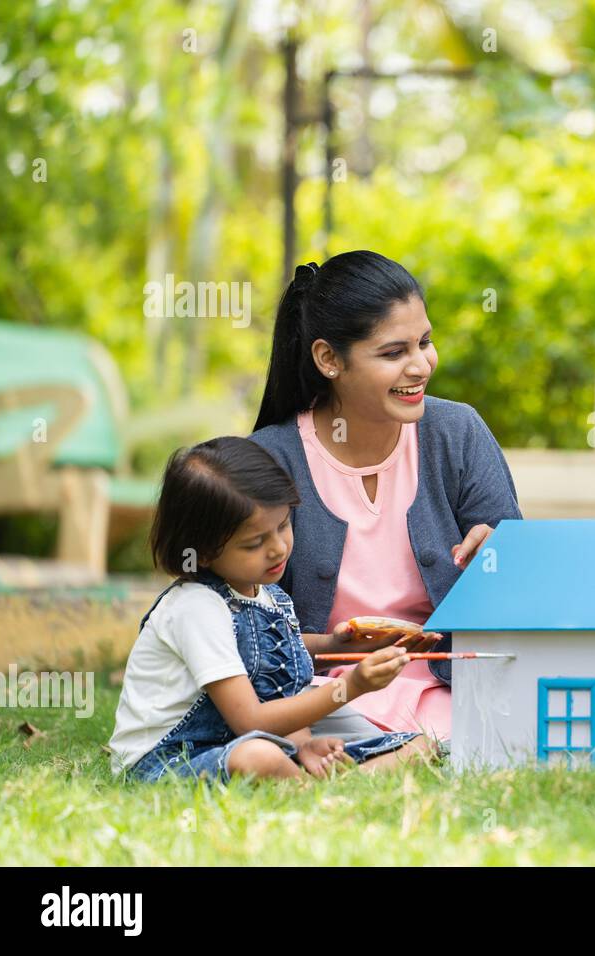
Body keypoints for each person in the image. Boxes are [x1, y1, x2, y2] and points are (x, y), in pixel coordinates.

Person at [249, 251, 522, 738]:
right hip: (323, 689)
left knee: (484, 730)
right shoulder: (271, 459)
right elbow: (245, 625)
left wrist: (500, 558)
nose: (421, 366)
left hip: (447, 683)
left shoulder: (456, 433)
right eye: (394, 353)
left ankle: (408, 745)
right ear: (329, 359)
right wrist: (333, 650)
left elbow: (522, 594)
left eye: (425, 342)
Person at [111, 437, 429, 782]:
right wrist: (349, 688)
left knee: (421, 744)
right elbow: (250, 720)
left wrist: (304, 743)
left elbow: (276, 681)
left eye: (283, 525)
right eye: (254, 542)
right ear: (201, 552)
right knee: (258, 757)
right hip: (171, 759)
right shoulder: (196, 608)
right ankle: (318, 788)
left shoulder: (269, 597)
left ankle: (319, 779)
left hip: (246, 743)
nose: (278, 549)